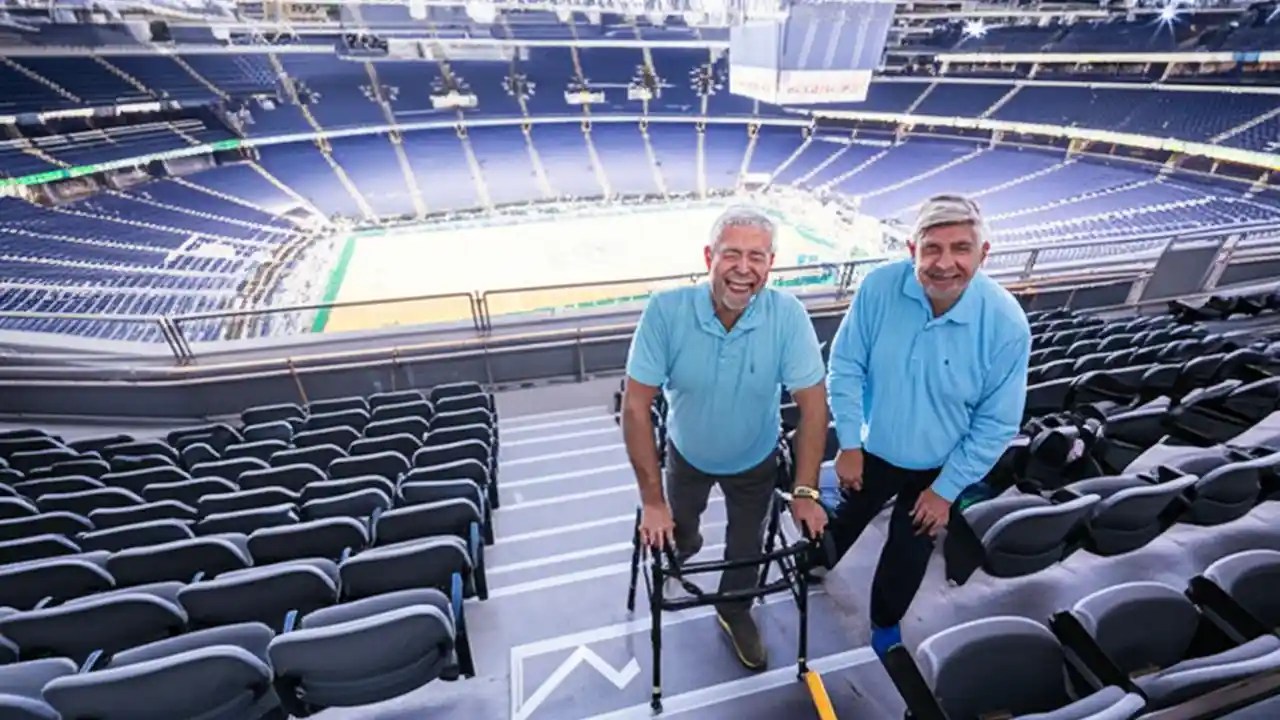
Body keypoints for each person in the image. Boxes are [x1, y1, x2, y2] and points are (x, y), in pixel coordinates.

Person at [820, 193, 1032, 659]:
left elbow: (997, 423)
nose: (945, 263)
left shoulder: (1006, 324)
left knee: (908, 554)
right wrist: (850, 441)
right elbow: (846, 364)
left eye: (960, 248)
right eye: (932, 248)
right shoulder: (878, 289)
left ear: (984, 253)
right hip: (874, 449)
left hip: (938, 467)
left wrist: (946, 489)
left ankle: (884, 623)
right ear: (911, 249)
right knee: (846, 516)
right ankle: (816, 564)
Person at [621, 205, 830, 671]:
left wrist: (804, 490)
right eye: (731, 254)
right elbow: (635, 407)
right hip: (686, 454)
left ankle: (734, 609)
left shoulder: (788, 314)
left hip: (754, 459)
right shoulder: (665, 311)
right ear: (708, 256)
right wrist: (652, 502)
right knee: (681, 529)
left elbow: (814, 406)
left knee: (747, 545)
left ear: (770, 264)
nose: (743, 268)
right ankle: (686, 542)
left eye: (756, 256)